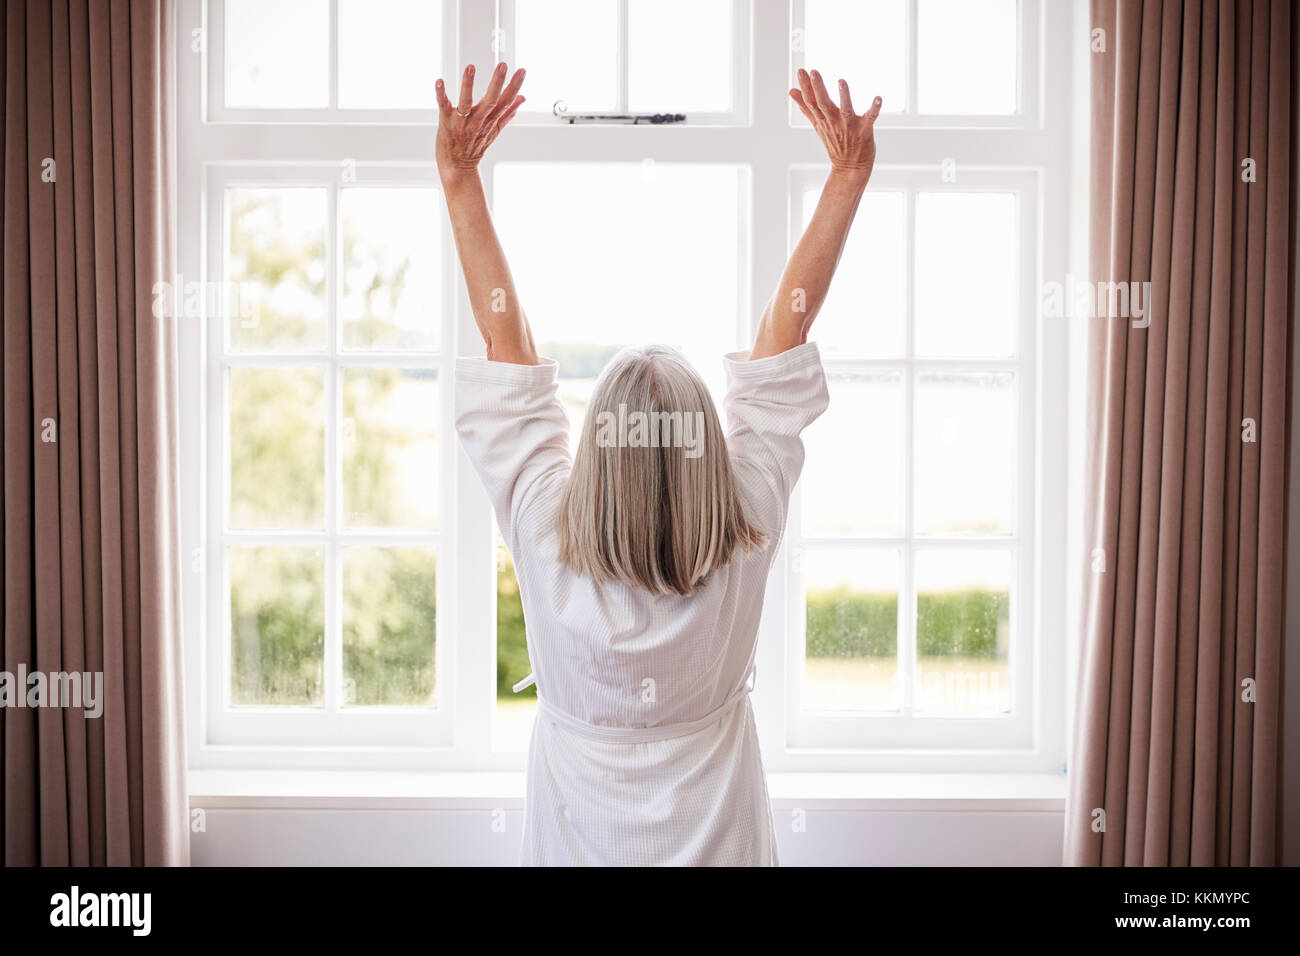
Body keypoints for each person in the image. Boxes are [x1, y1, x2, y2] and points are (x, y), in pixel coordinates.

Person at [436, 61, 881, 866]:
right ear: (705, 447)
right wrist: (847, 178)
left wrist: (460, 178)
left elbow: (508, 348)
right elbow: (783, 344)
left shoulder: (542, 526)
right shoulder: (746, 521)